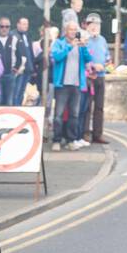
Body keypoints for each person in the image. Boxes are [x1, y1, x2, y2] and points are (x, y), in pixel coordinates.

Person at [50, 20, 94, 151]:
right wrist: (70, 46)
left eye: (75, 30)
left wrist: (84, 46)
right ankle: (56, 140)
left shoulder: (79, 45)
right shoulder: (59, 43)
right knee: (58, 114)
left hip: (76, 84)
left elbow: (88, 59)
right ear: (65, 31)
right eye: (71, 30)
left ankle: (71, 140)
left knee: (74, 115)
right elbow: (56, 57)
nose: (73, 32)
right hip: (62, 84)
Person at [83, 13, 112, 144]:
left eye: (97, 25)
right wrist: (93, 67)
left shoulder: (103, 40)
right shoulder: (84, 39)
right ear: (87, 26)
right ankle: (85, 134)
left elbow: (108, 58)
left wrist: (105, 65)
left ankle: (97, 134)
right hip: (88, 77)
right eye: (92, 24)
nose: (95, 27)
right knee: (87, 107)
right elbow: (81, 58)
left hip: (100, 77)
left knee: (99, 108)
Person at [9, 16, 37, 106]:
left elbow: (30, 52)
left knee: (22, 91)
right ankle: (14, 109)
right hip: (19, 69)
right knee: (15, 92)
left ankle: (19, 107)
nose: (26, 26)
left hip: (28, 69)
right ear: (18, 24)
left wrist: (32, 68)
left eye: (27, 24)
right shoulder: (13, 35)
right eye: (24, 24)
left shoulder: (27, 35)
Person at [0, 16, 16, 105]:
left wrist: (17, 67)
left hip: (10, 74)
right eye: (2, 26)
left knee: (9, 101)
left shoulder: (14, 39)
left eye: (7, 26)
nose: (4, 29)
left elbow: (21, 54)